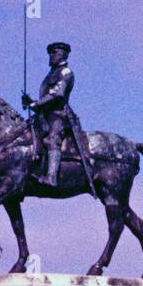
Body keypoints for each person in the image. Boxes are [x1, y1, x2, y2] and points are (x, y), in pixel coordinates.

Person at [22, 41, 90, 188]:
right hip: (45, 116)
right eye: (51, 53)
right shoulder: (51, 73)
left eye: (55, 53)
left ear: (63, 54)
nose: (51, 56)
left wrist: (37, 104)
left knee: (53, 139)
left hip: (59, 116)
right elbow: (45, 99)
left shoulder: (65, 72)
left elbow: (58, 94)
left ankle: (51, 177)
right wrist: (31, 102)